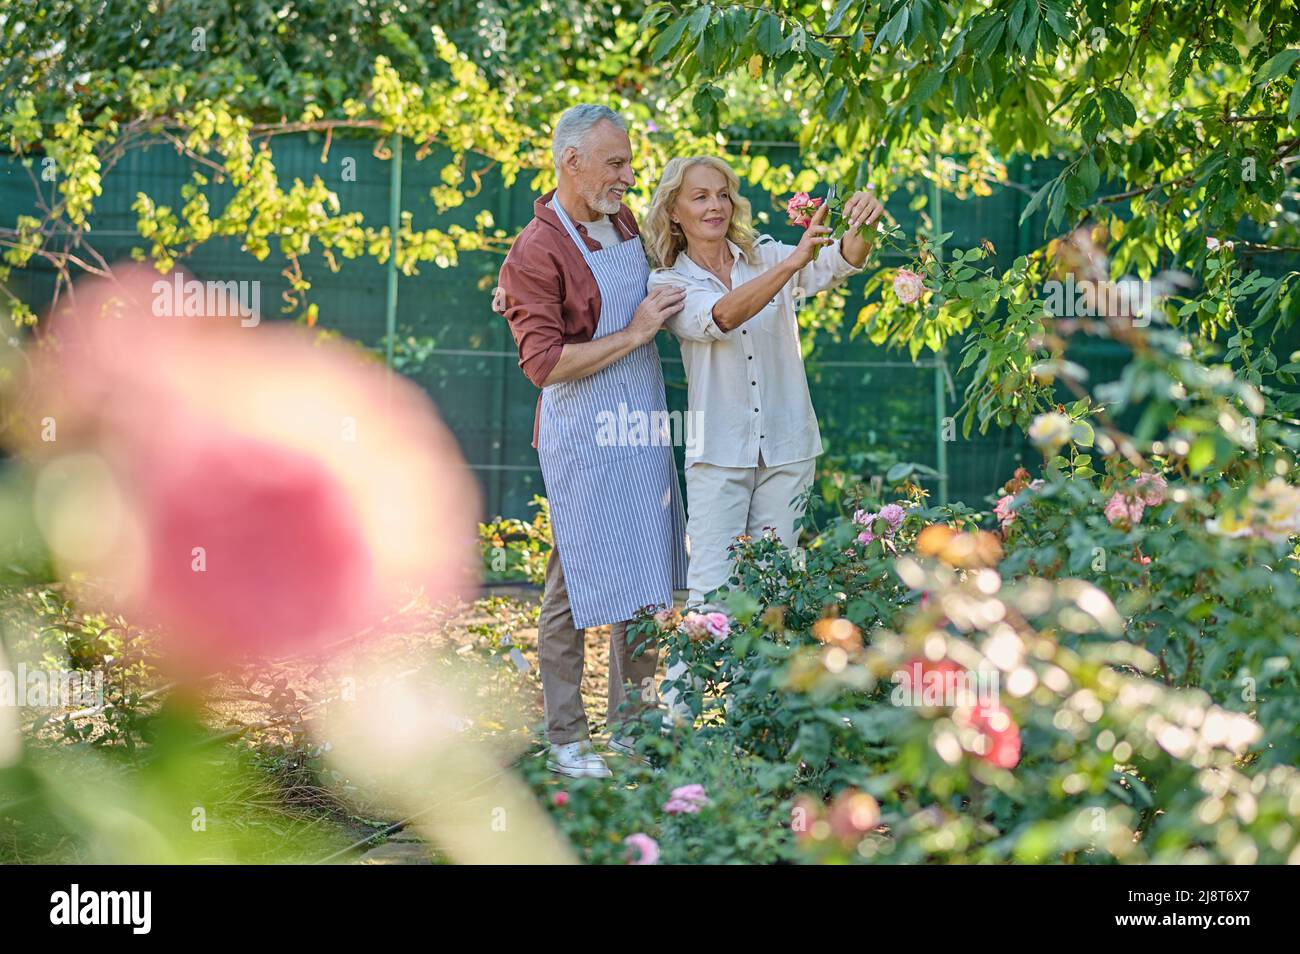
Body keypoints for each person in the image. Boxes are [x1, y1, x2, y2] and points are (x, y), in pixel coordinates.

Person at [643, 156, 883, 715]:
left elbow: (841, 263)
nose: (715, 207)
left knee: (777, 589)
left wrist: (864, 225)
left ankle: (759, 722)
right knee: (710, 593)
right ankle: (678, 729)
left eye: (723, 195)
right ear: (675, 211)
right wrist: (794, 261)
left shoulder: (768, 255)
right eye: (700, 197)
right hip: (719, 457)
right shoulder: (669, 281)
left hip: (787, 446)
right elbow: (721, 317)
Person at [496, 105, 688, 777]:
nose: (628, 177)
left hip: (641, 421)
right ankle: (568, 739)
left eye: (629, 162)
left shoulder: (622, 222)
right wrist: (636, 332)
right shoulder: (536, 251)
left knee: (644, 573)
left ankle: (634, 731)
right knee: (574, 583)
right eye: (616, 163)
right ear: (571, 162)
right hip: (583, 430)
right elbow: (544, 364)